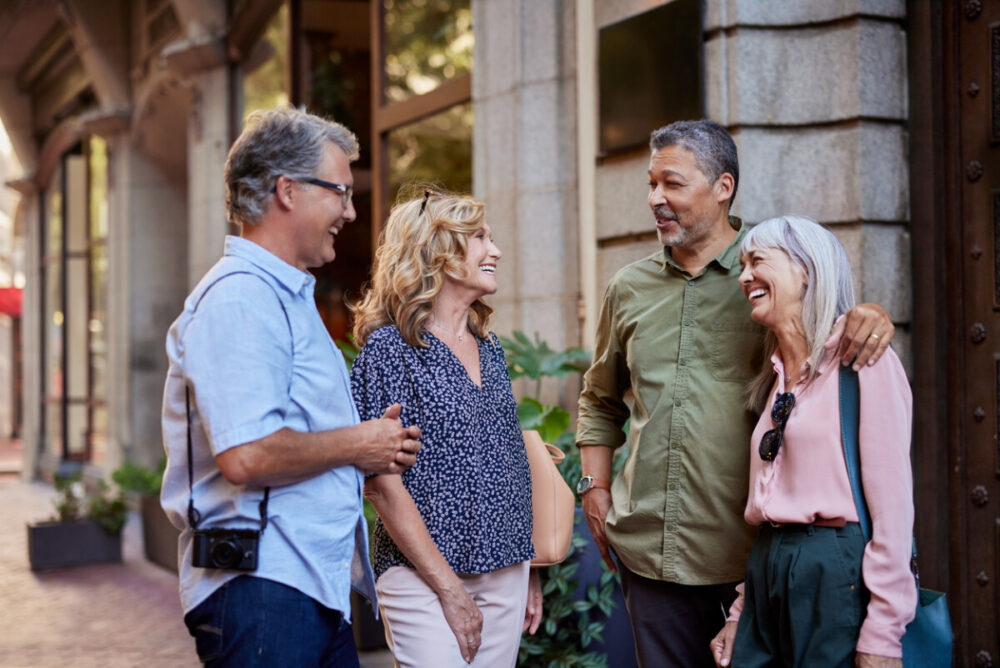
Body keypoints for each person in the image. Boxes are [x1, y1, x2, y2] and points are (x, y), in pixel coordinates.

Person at [575, 120, 896, 668]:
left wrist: (869, 314)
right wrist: (594, 487)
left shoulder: (770, 274)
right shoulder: (627, 288)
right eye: (651, 185)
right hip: (650, 553)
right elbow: (600, 399)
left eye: (672, 184)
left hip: (751, 557)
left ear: (723, 187)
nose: (656, 199)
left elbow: (824, 336)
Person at [160, 107, 422, 667]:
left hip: (300, 589)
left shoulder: (280, 298)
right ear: (287, 191)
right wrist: (362, 443)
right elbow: (247, 454)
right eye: (341, 193)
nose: (350, 213)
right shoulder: (239, 299)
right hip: (263, 590)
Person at [709, 215, 916, 668]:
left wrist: (883, 634)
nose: (744, 277)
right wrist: (741, 611)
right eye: (742, 265)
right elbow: (770, 510)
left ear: (805, 270)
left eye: (757, 261)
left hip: (832, 573)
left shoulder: (862, 361)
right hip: (768, 572)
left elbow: (894, 515)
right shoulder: (775, 381)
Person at [350, 189, 543, 667]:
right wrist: (450, 590)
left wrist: (529, 564)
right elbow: (380, 483)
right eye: (479, 238)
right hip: (420, 575)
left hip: (506, 568)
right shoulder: (389, 350)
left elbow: (506, 460)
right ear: (436, 251)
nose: (494, 251)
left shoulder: (490, 347)